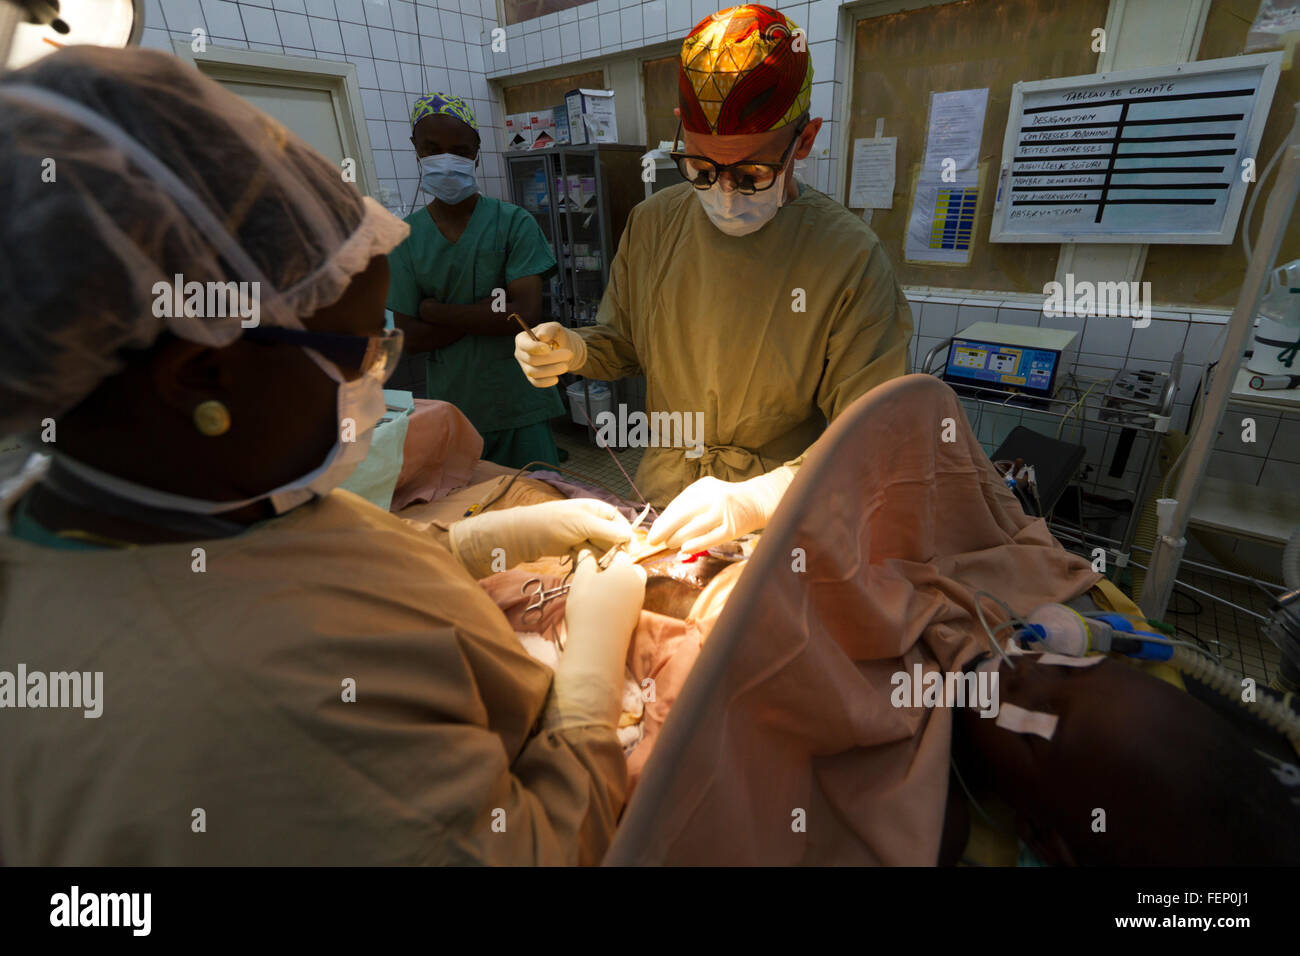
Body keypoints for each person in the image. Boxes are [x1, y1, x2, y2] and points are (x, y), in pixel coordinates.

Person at [0, 46, 646, 865]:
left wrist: (468, 545)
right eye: (358, 350)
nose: (379, 370)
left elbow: (295, 575)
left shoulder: (189, 495)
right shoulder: (253, 709)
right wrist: (586, 707)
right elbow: (530, 849)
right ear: (202, 372)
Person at [515, 4, 913, 555]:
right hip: (664, 496)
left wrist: (760, 497)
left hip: (787, 513)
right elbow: (625, 343)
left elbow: (872, 430)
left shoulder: (847, 256)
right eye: (702, 170)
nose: (723, 194)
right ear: (681, 126)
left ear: (803, 141)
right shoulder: (655, 223)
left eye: (751, 174)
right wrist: (577, 349)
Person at [387, 93, 566, 469]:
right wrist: (483, 315)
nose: (447, 160)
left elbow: (524, 314)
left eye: (460, 150)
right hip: (455, 407)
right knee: (471, 513)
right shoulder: (403, 237)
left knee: (539, 512)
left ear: (477, 153)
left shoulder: (513, 222)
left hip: (520, 404)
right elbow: (408, 339)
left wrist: (433, 309)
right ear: (416, 151)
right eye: (432, 149)